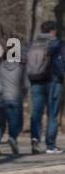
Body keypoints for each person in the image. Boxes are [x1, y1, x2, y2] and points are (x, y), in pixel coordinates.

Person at [27, 20, 64, 154]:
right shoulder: (58, 44)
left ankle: (35, 139)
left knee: (36, 112)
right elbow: (61, 62)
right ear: (53, 31)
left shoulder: (32, 44)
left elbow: (24, 61)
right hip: (53, 81)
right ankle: (50, 145)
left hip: (35, 81)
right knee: (52, 114)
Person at [0, 48, 28, 154]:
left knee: (7, 121)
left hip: (4, 98)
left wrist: (0, 94)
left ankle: (1, 139)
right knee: (17, 122)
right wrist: (23, 95)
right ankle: (13, 138)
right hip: (16, 97)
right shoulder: (21, 68)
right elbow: (26, 84)